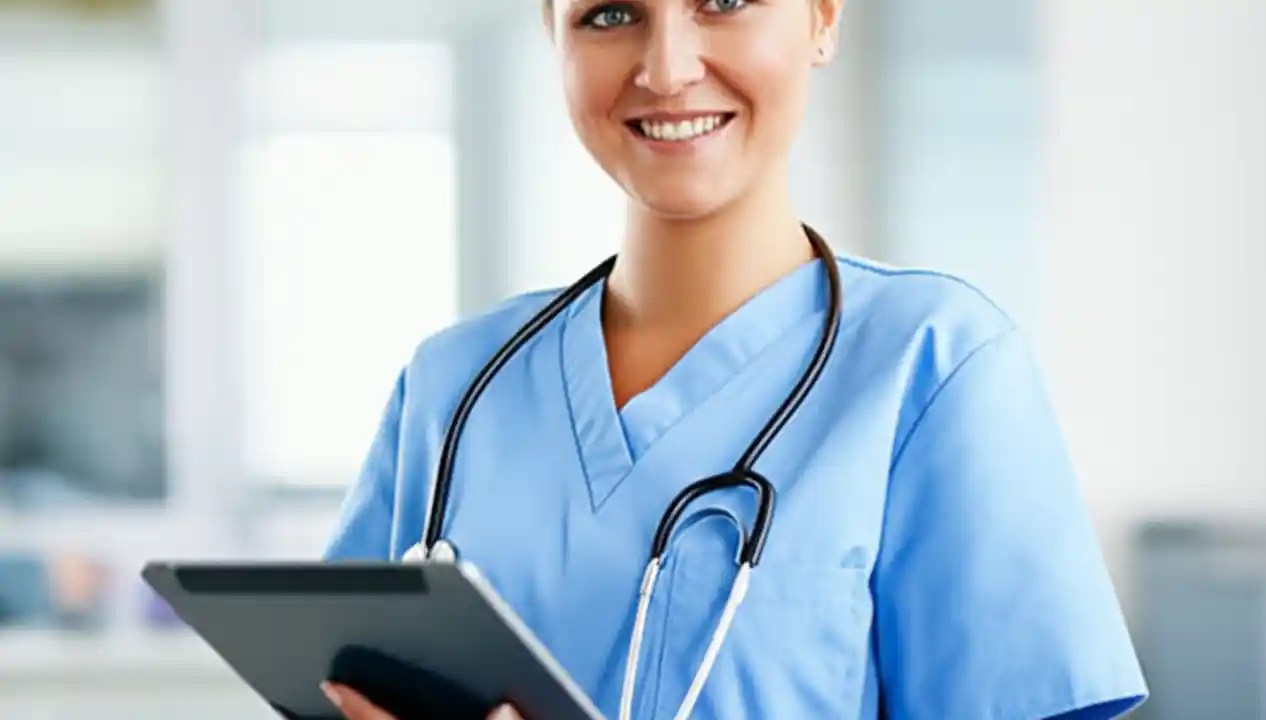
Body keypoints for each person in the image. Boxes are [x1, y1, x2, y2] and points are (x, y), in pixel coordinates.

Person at [321, 0, 1149, 717]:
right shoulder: (454, 387)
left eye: (724, 0)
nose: (667, 68)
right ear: (554, 36)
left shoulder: (934, 364)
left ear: (823, 17)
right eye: (610, 15)